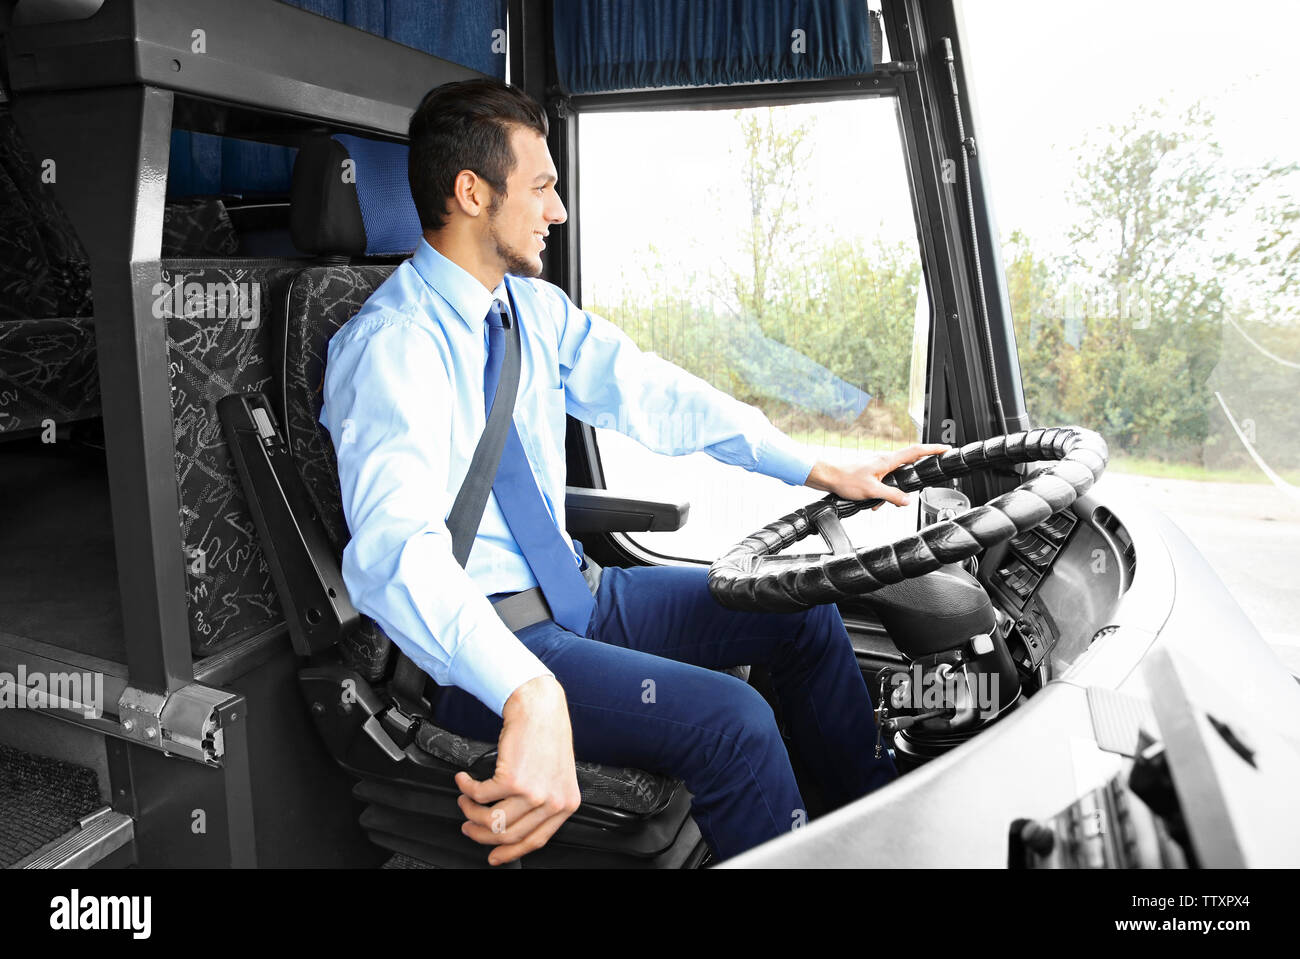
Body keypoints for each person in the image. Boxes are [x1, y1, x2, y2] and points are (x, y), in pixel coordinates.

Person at [321, 78, 949, 866]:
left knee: (801, 610)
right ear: (472, 192)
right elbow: (394, 555)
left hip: (581, 595)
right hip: (487, 644)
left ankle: (867, 833)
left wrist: (817, 467)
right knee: (735, 721)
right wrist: (527, 686)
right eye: (543, 187)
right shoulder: (391, 349)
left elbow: (655, 393)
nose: (559, 210)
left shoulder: (531, 312)